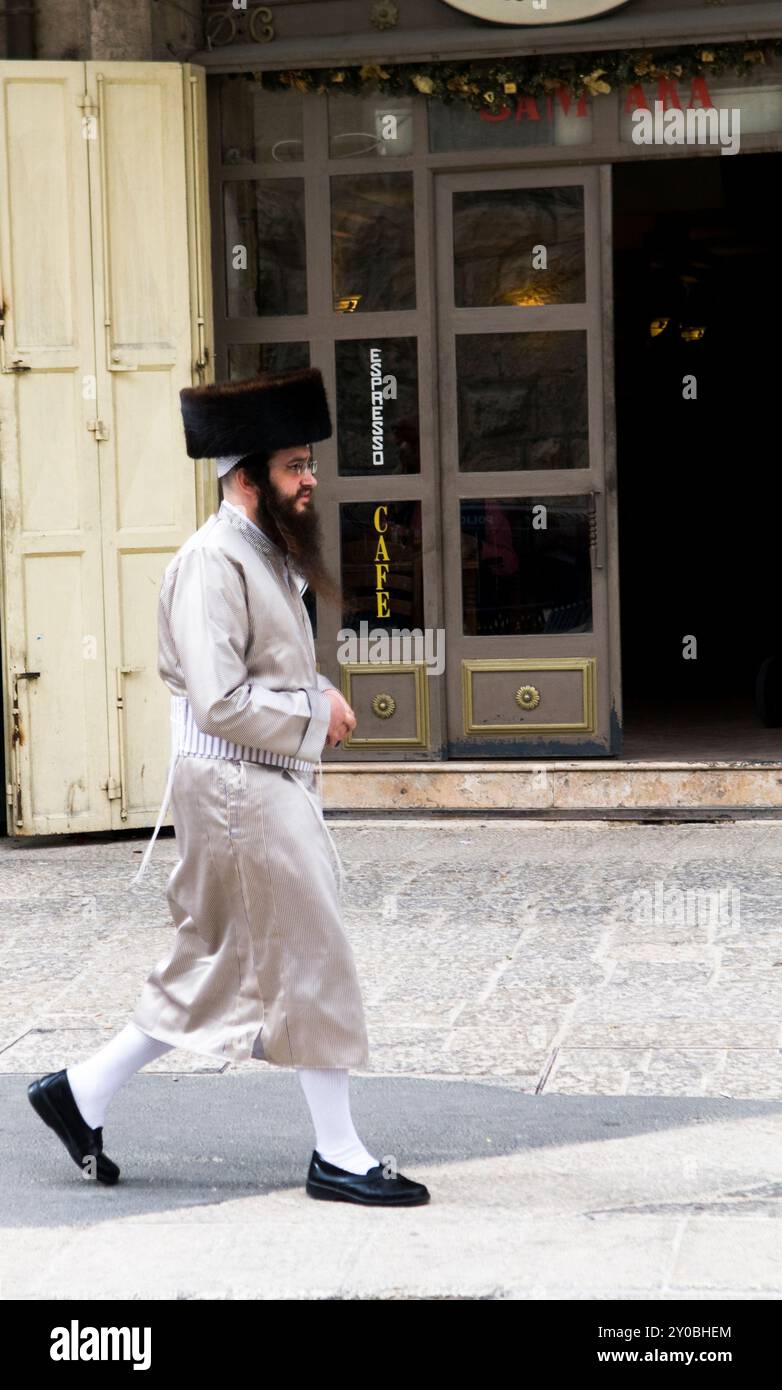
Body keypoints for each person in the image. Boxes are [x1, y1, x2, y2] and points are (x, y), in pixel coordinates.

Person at [27, 366, 430, 1207]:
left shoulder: (262, 552)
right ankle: (340, 1153)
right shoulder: (214, 561)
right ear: (246, 476)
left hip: (253, 781)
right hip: (238, 788)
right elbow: (219, 699)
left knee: (215, 963)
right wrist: (315, 711)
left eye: (307, 461)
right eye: (292, 465)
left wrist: (306, 708)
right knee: (311, 950)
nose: (309, 476)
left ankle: (82, 1092)